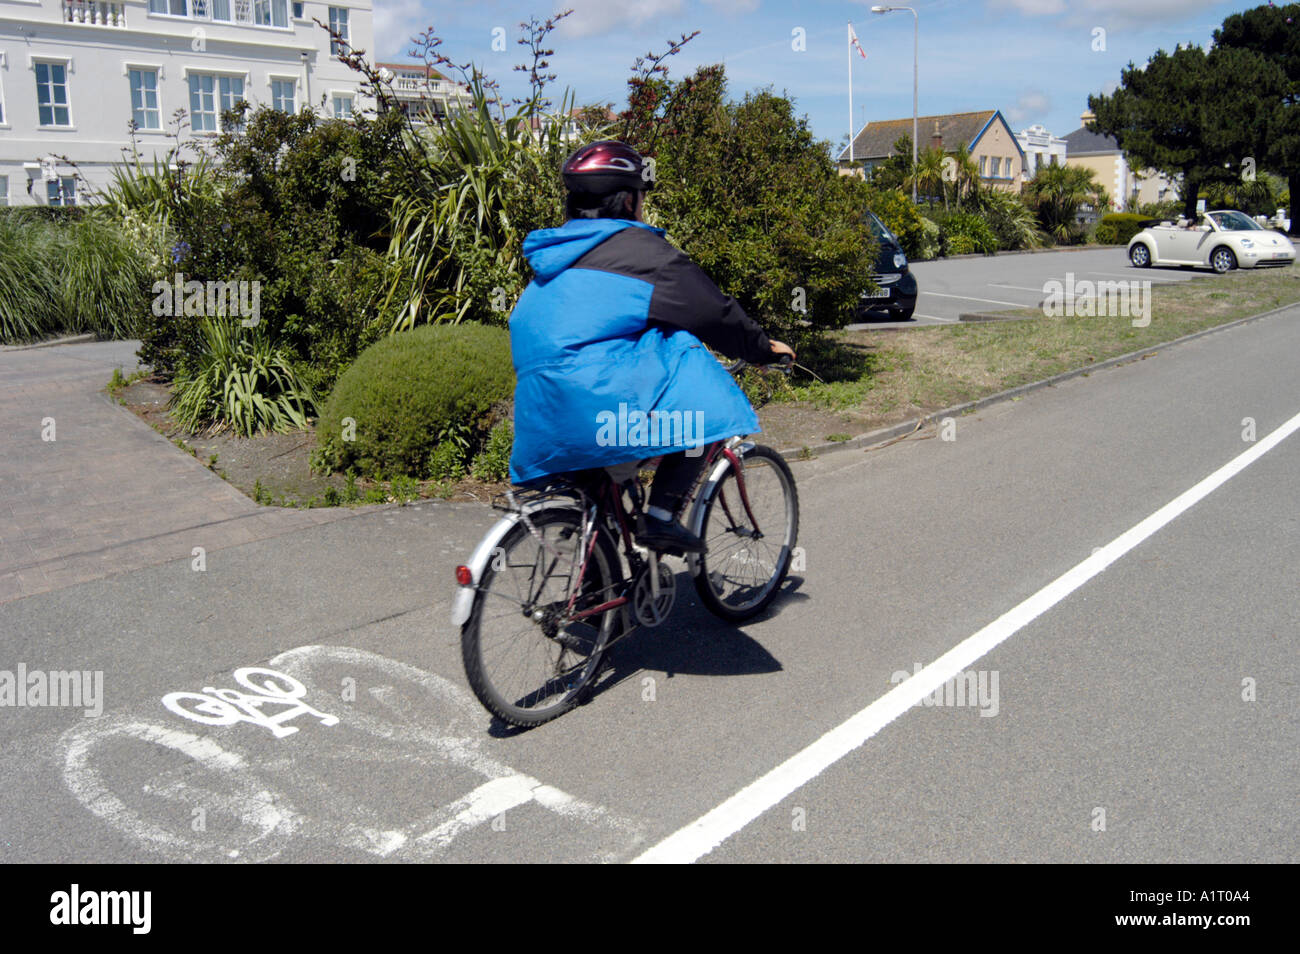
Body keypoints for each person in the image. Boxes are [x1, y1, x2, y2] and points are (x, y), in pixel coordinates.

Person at [507, 140, 795, 554]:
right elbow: (714, 314)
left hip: (543, 420)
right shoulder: (645, 256)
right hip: (601, 413)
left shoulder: (551, 258)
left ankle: (598, 598)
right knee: (693, 376)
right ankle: (661, 515)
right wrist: (763, 349)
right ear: (628, 201)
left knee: (600, 502)